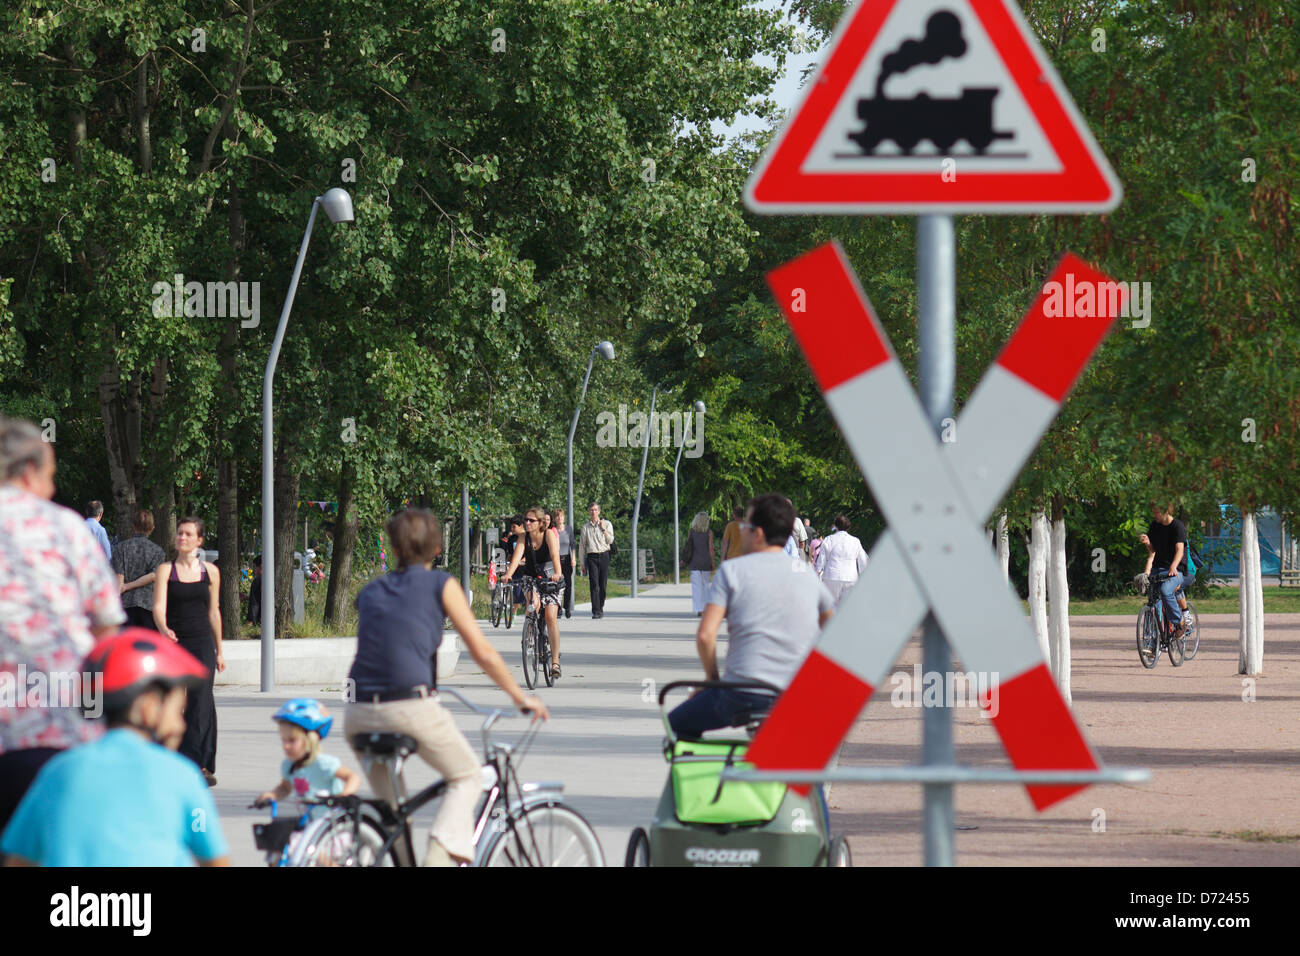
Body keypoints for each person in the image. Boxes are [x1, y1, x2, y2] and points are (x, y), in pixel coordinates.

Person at [345, 508, 547, 867]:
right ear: (437, 547)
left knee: (395, 813)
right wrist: (520, 697)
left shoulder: (371, 590)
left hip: (358, 712)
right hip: (408, 708)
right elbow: (482, 651)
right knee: (468, 775)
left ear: (394, 547)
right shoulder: (441, 585)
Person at [1, 629, 230, 866]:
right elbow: (213, 857)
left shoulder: (57, 772)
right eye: (176, 711)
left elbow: (18, 860)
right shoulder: (182, 776)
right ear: (149, 707)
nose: (181, 725)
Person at [0, 417, 125, 834]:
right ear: (30, 471)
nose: (53, 490)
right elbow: (106, 629)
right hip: (59, 735)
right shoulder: (65, 528)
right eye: (51, 476)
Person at [668, 494, 834, 739]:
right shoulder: (807, 575)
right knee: (814, 753)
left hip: (740, 694)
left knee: (678, 722)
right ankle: (805, 776)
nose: (742, 530)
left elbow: (705, 636)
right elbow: (835, 633)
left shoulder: (732, 571)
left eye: (745, 525)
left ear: (757, 534)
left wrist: (713, 682)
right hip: (793, 696)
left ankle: (709, 774)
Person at [154, 516, 225, 786]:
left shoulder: (211, 572)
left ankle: (200, 764)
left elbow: (214, 612)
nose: (182, 538)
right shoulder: (165, 570)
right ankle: (174, 757)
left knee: (201, 702)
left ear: (199, 540)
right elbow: (159, 607)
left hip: (202, 642)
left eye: (188, 534)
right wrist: (163, 628)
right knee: (173, 700)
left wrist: (219, 650)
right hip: (174, 642)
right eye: (179, 534)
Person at [258, 699, 361, 813]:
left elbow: (352, 777)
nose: (286, 746)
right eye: (284, 740)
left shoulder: (323, 763)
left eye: (292, 740)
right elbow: (286, 787)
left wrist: (344, 795)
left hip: (333, 821)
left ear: (310, 740)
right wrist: (273, 795)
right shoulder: (289, 766)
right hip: (309, 821)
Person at [504, 506, 565, 677]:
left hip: (550, 578)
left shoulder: (549, 535)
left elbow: (554, 555)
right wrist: (508, 574)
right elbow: (516, 558)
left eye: (531, 520)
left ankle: (555, 663)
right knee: (533, 604)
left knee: (550, 617)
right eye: (526, 520)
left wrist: (558, 573)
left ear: (540, 523)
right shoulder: (523, 538)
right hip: (531, 578)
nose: (527, 523)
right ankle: (530, 631)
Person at [1141, 501, 1191, 640]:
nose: (1154, 515)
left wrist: (1174, 566)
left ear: (1166, 511)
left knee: (1165, 590)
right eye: (1154, 512)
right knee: (1153, 603)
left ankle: (1180, 623)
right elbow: (1153, 550)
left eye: (1157, 512)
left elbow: (1180, 550)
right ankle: (1152, 643)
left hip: (1176, 570)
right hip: (1157, 569)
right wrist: (1147, 543)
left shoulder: (1177, 526)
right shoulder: (1154, 525)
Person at [112, 509, 166, 630]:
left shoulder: (120, 548)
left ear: (133, 526)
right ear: (152, 528)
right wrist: (128, 586)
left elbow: (118, 578)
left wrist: (124, 587)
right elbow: (153, 575)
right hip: (148, 605)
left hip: (125, 606)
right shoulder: (157, 551)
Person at [815, 514, 870, 608]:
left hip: (831, 577)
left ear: (835, 526)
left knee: (830, 608)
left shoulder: (828, 539)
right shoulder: (855, 541)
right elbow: (864, 562)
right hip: (850, 578)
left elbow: (821, 561)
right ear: (848, 527)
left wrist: (817, 573)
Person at [577, 501, 614, 618]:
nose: (593, 512)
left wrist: (603, 529)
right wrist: (582, 563)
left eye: (595, 510)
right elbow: (582, 546)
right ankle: (596, 611)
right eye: (591, 510)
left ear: (599, 511)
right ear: (589, 511)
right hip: (591, 557)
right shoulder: (585, 527)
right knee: (594, 584)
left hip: (604, 555)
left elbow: (610, 541)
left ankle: (600, 606)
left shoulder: (607, 524)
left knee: (602, 585)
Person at [685, 512, 715, 616]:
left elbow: (688, 546)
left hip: (694, 562)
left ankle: (699, 609)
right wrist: (713, 562)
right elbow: (711, 549)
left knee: (696, 587)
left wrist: (684, 559)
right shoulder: (709, 532)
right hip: (705, 562)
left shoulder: (691, 532)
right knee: (705, 586)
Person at [551, 508, 576, 619]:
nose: (559, 518)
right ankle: (558, 608)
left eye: (561, 516)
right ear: (555, 519)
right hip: (556, 559)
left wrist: (573, 558)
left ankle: (567, 607)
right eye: (557, 516)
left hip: (567, 558)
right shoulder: (553, 530)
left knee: (568, 585)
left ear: (564, 517)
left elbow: (573, 545)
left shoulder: (568, 529)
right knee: (557, 585)